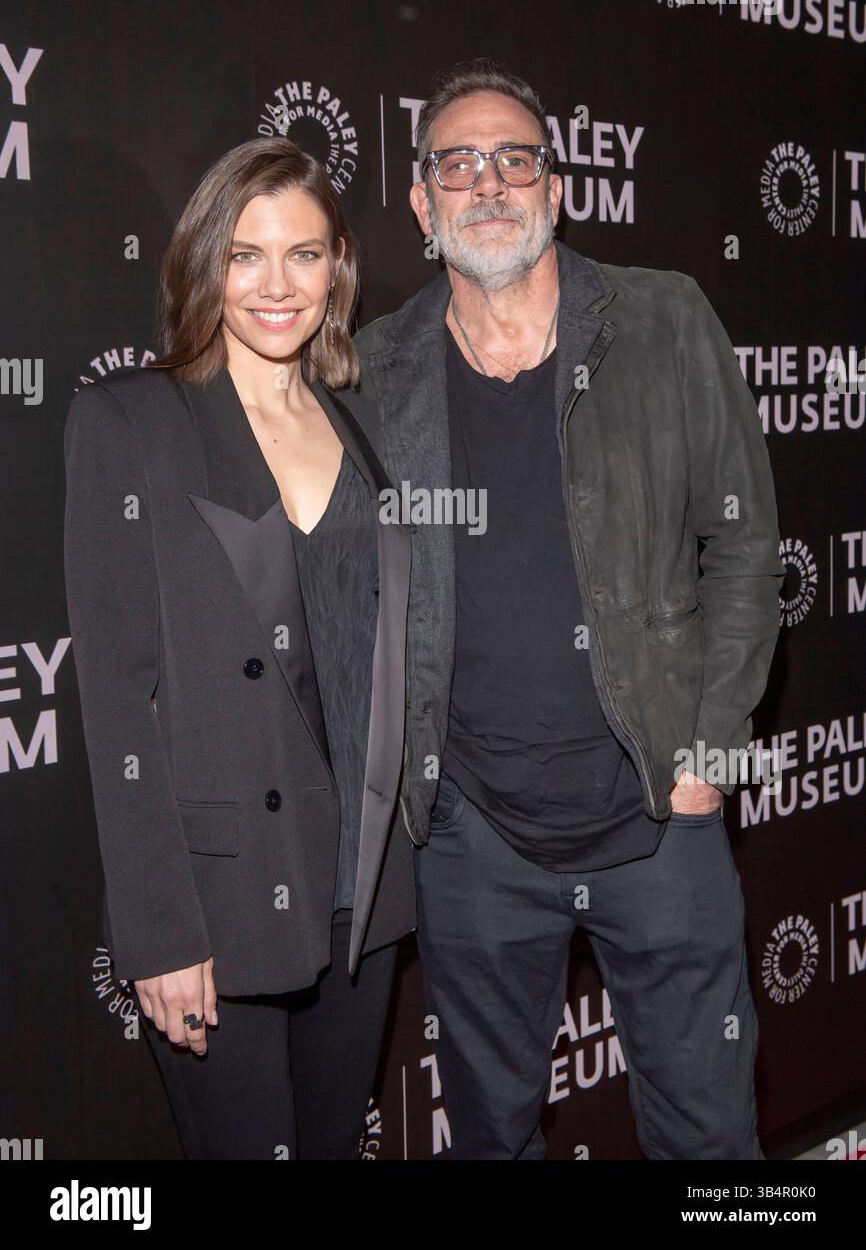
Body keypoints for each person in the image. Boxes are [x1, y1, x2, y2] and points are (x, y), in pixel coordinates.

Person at [353, 58, 784, 1160]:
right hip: (473, 838)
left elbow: (743, 546)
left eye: (514, 159)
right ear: (421, 203)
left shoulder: (659, 318)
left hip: (656, 815)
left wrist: (708, 758)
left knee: (707, 1134)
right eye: (457, 163)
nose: (487, 182)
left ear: (555, 189)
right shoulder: (375, 368)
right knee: (488, 1137)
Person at [63, 137, 415, 1160]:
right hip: (222, 900)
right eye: (246, 254)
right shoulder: (132, 421)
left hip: (360, 889)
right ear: (205, 261)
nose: (276, 284)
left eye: (303, 255)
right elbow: (119, 700)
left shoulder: (361, 422)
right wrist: (161, 930)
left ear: (336, 270)